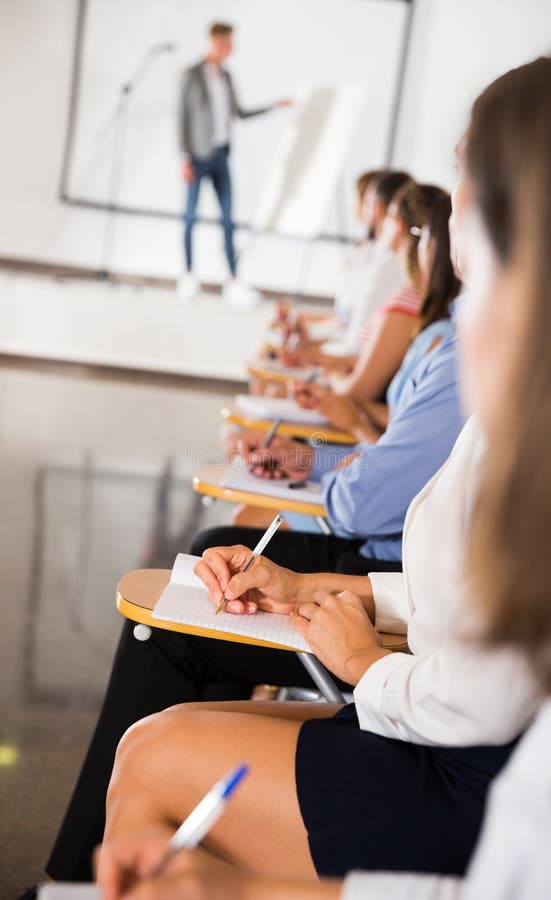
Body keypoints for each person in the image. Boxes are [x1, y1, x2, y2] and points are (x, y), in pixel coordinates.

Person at [96, 54, 551, 900]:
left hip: (473, 771)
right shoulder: (510, 372)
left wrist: (360, 662)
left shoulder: (516, 385)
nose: (440, 213)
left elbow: (488, 690)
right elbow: (496, 606)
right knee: (157, 737)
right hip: (453, 729)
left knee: (156, 755)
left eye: (463, 174)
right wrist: (311, 586)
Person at [45, 212, 464, 881]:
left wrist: (364, 662)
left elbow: (377, 509)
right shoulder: (476, 358)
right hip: (418, 682)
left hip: (453, 753)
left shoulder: (474, 362)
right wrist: (307, 583)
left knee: (165, 693)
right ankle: (84, 882)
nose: (414, 235)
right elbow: (445, 578)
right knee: (183, 655)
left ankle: (77, 883)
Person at [292, 192, 460, 442]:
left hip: (368, 444)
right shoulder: (433, 326)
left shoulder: (435, 330)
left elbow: (400, 426)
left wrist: (347, 404)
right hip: (369, 441)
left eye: (424, 234)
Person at [177, 22, 291, 304]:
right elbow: (182, 117)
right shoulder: (192, 74)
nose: (229, 49)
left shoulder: (226, 76)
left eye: (231, 44)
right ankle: (188, 274)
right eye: (225, 43)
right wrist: (184, 156)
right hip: (197, 156)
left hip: (221, 154)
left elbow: (239, 113)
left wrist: (273, 107)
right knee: (190, 217)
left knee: (228, 219)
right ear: (213, 42)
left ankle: (233, 278)